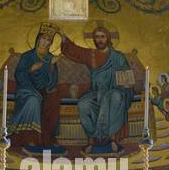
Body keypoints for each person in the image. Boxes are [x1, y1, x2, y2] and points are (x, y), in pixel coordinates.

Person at [53, 22, 133, 153]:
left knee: (112, 98)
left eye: (102, 36)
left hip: (115, 91)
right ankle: (91, 140)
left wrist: (124, 86)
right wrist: (63, 36)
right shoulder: (91, 55)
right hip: (96, 91)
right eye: (97, 37)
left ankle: (112, 139)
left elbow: (127, 79)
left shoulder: (118, 57)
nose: (100, 40)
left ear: (108, 38)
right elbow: (75, 51)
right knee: (84, 103)